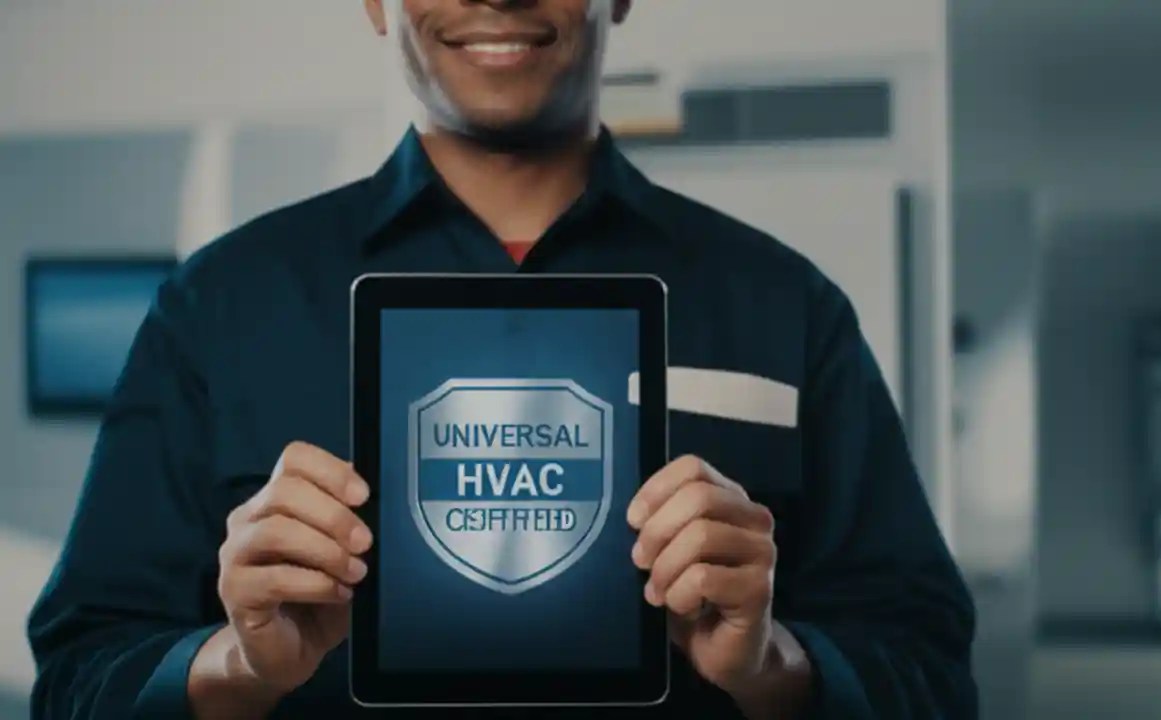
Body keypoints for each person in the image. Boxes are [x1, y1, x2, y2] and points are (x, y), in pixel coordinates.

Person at [26, 1, 977, 717]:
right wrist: (236, 665)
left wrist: (774, 664)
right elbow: (74, 680)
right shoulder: (218, 306)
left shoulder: (788, 306)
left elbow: (933, 677)